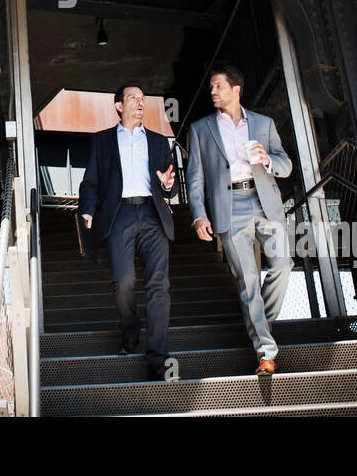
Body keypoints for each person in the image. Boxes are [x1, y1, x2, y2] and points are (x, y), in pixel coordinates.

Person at [186, 64, 293, 375]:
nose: (212, 91)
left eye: (218, 86)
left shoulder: (263, 124)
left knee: (283, 265)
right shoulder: (200, 129)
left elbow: (286, 164)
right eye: (211, 87)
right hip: (229, 206)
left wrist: (268, 159)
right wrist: (198, 216)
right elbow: (195, 178)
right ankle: (266, 352)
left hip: (265, 201)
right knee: (248, 280)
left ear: (236, 89)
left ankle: (260, 325)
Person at [78, 84, 178, 380]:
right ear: (119, 106)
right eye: (133, 98)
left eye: (142, 98)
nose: (139, 102)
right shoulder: (102, 140)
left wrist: (168, 186)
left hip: (152, 213)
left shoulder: (159, 142)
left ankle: (158, 358)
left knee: (159, 284)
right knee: (124, 282)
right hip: (118, 214)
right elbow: (90, 182)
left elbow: (169, 186)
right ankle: (130, 331)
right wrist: (87, 209)